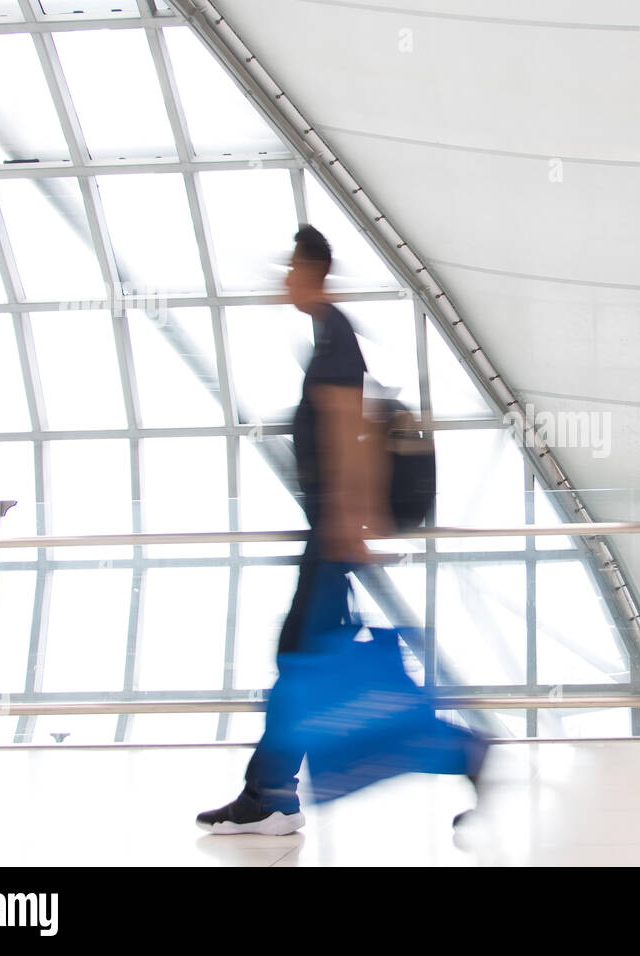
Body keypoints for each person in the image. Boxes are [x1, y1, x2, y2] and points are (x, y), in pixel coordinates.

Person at [196, 225, 438, 835]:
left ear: (312, 272)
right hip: (330, 537)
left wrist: (342, 525)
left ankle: (276, 793)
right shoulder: (331, 336)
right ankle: (272, 791)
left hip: (329, 539)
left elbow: (343, 432)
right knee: (304, 663)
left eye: (292, 269)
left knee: (301, 662)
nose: (284, 281)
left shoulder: (333, 337)